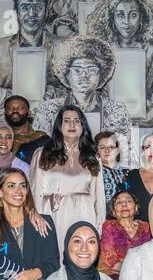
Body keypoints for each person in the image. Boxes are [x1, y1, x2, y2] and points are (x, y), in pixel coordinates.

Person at [84, 0, 153, 121]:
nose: (126, 21)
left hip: (145, 118)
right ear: (111, 18)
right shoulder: (102, 51)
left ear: (142, 17)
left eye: (133, 15)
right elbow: (92, 91)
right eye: (120, 15)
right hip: (109, 119)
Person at [29, 35, 133, 146]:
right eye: (77, 70)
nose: (84, 76)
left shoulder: (117, 111)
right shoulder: (48, 111)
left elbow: (124, 149)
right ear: (66, 73)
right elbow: (40, 148)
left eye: (91, 70)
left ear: (101, 74)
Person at [30, 105, 107, 244]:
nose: (72, 124)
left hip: (84, 214)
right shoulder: (42, 153)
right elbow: (35, 192)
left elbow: (99, 196)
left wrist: (99, 226)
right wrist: (36, 218)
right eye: (67, 120)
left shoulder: (93, 157)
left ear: (83, 126)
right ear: (59, 125)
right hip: (51, 214)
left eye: (77, 121)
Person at [0, 0, 55, 90]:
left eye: (38, 7)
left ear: (47, 11)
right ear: (16, 12)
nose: (31, 14)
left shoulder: (61, 46)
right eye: (25, 7)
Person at [98, 190, 152, 280]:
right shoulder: (109, 226)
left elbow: (151, 256)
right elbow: (109, 261)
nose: (124, 204)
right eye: (119, 202)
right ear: (114, 211)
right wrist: (137, 270)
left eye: (129, 201)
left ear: (136, 208)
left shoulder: (146, 227)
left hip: (146, 278)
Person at [5, 95, 51, 162]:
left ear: (29, 113)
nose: (15, 111)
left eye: (21, 108)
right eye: (10, 108)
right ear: (5, 113)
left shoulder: (42, 139)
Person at [95, 130, 130, 208]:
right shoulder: (93, 173)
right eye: (102, 147)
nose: (107, 150)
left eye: (111, 147)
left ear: (117, 150)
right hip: (101, 217)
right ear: (97, 151)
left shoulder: (128, 173)